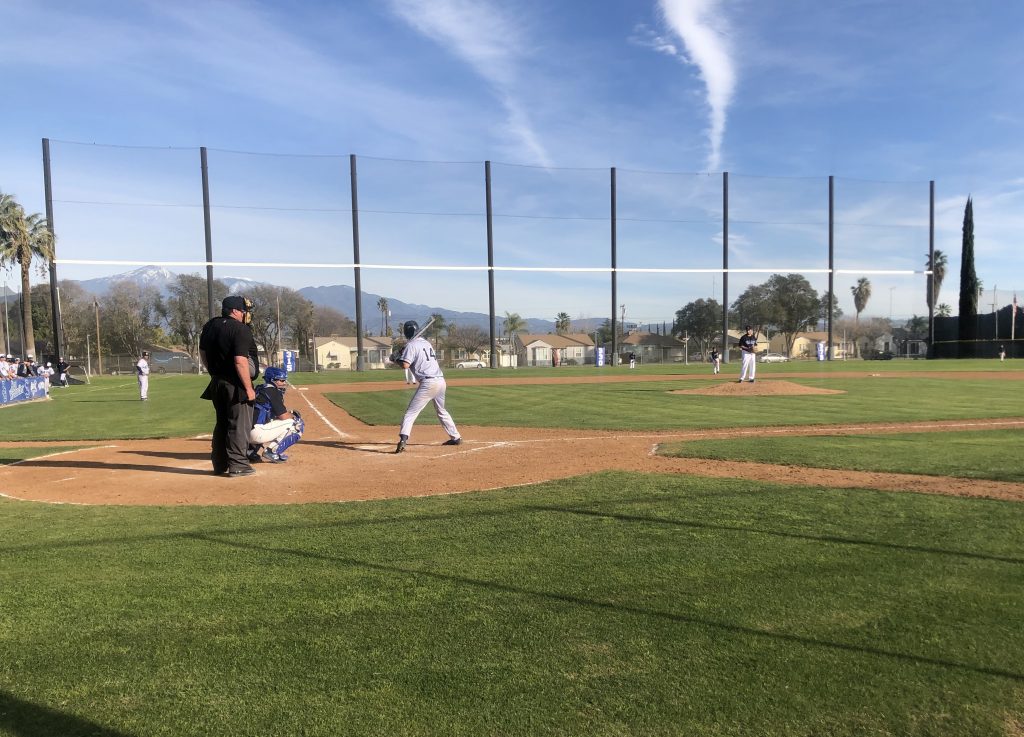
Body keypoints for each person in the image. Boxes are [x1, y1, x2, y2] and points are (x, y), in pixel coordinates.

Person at [199, 295, 259, 477]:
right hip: (235, 383)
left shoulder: (210, 326)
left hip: (217, 382)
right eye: (243, 311)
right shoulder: (240, 329)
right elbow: (240, 361)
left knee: (222, 424)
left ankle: (219, 464)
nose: (244, 315)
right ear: (234, 311)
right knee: (239, 425)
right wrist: (248, 388)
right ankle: (239, 465)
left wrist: (213, 373)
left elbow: (203, 352)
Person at [392, 319, 461, 453]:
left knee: (411, 413)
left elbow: (405, 365)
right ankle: (456, 437)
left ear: (406, 332)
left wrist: (395, 359)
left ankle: (403, 440)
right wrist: (400, 355)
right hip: (441, 381)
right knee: (441, 410)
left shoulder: (411, 345)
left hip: (429, 383)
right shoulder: (426, 343)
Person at [248, 367, 304, 463]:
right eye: (281, 380)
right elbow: (283, 416)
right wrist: (292, 415)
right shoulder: (272, 391)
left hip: (244, 433)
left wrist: (289, 413)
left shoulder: (260, 388)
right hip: (256, 433)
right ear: (272, 379)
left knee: (268, 419)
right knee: (297, 423)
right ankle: (272, 451)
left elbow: (271, 414)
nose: (284, 383)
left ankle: (250, 451)